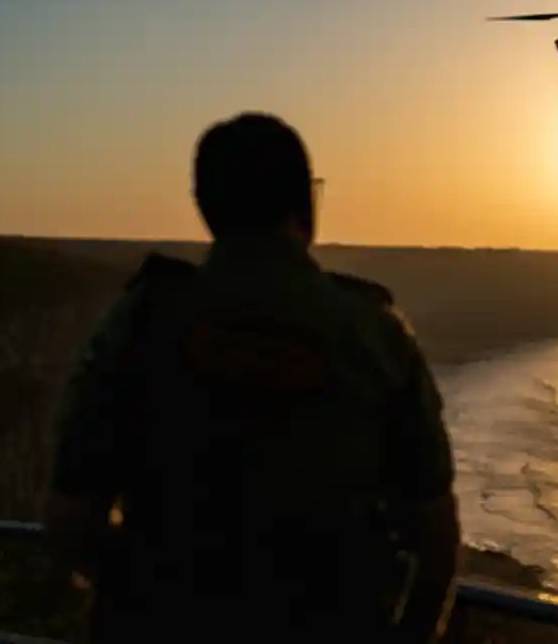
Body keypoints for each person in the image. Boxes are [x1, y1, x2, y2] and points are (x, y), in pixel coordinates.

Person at [43, 112, 461, 643]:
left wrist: (150, 592)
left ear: (206, 207)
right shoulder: (373, 332)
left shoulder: (142, 322)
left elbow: (69, 521)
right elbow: (438, 540)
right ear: (305, 204)